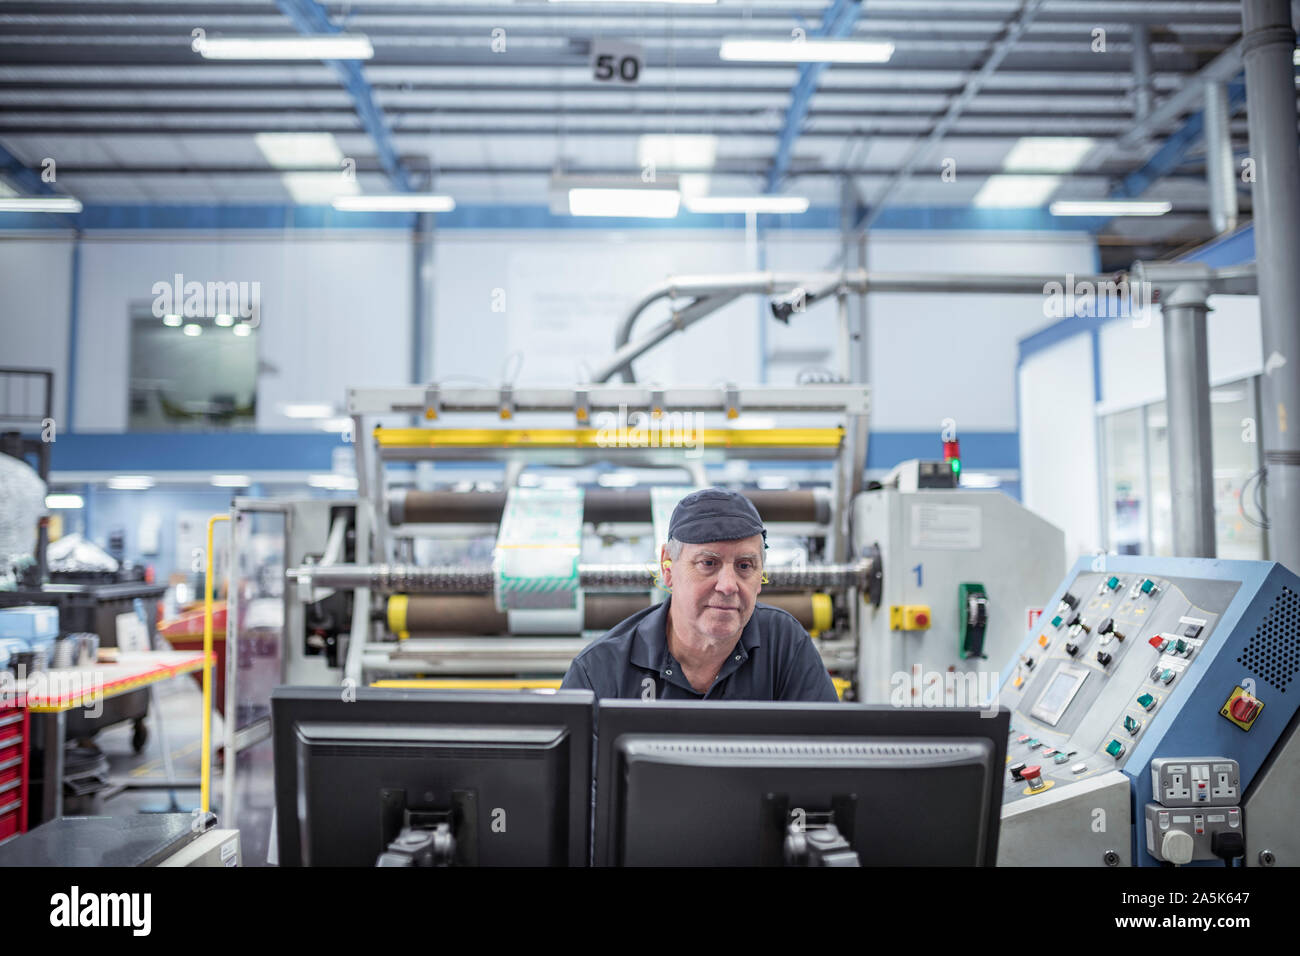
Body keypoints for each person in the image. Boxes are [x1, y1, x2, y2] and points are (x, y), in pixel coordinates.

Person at [561, 487, 838, 701]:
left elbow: (828, 759)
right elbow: (573, 775)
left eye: (744, 566)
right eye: (708, 563)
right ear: (667, 568)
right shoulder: (600, 672)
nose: (728, 585)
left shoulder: (784, 646)